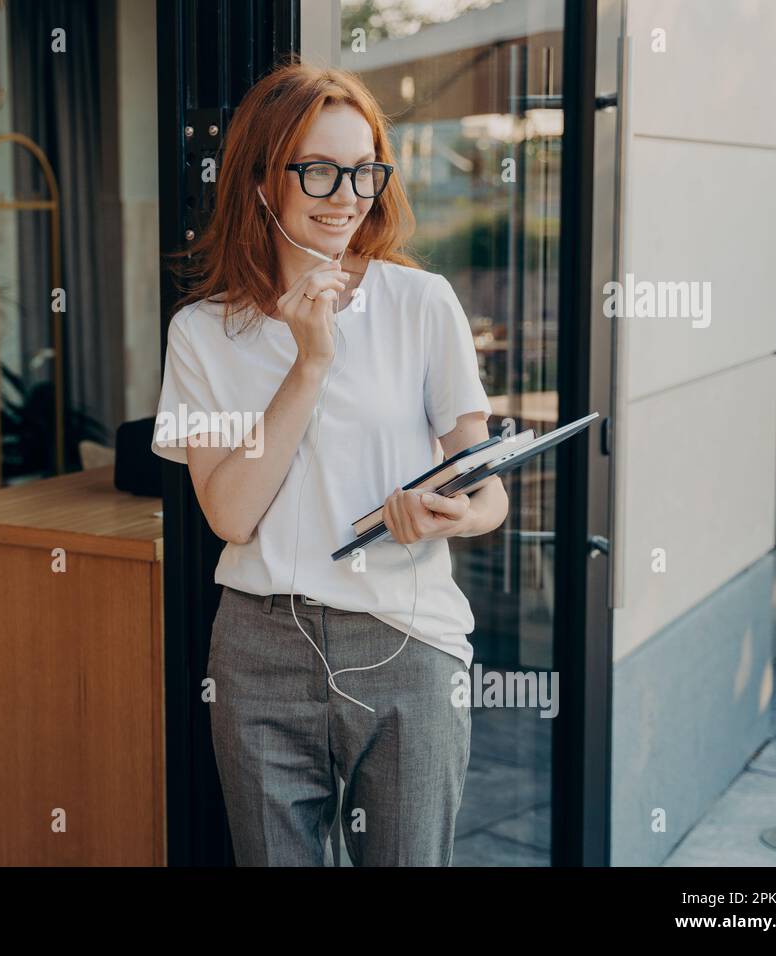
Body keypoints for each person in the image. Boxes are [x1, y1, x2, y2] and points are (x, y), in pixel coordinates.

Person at [151, 59, 509, 866]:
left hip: (405, 637)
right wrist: (308, 363)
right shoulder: (204, 334)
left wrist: (457, 510)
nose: (348, 194)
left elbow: (485, 488)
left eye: (363, 170)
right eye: (319, 170)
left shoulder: (421, 304)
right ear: (259, 182)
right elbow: (232, 515)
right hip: (259, 646)